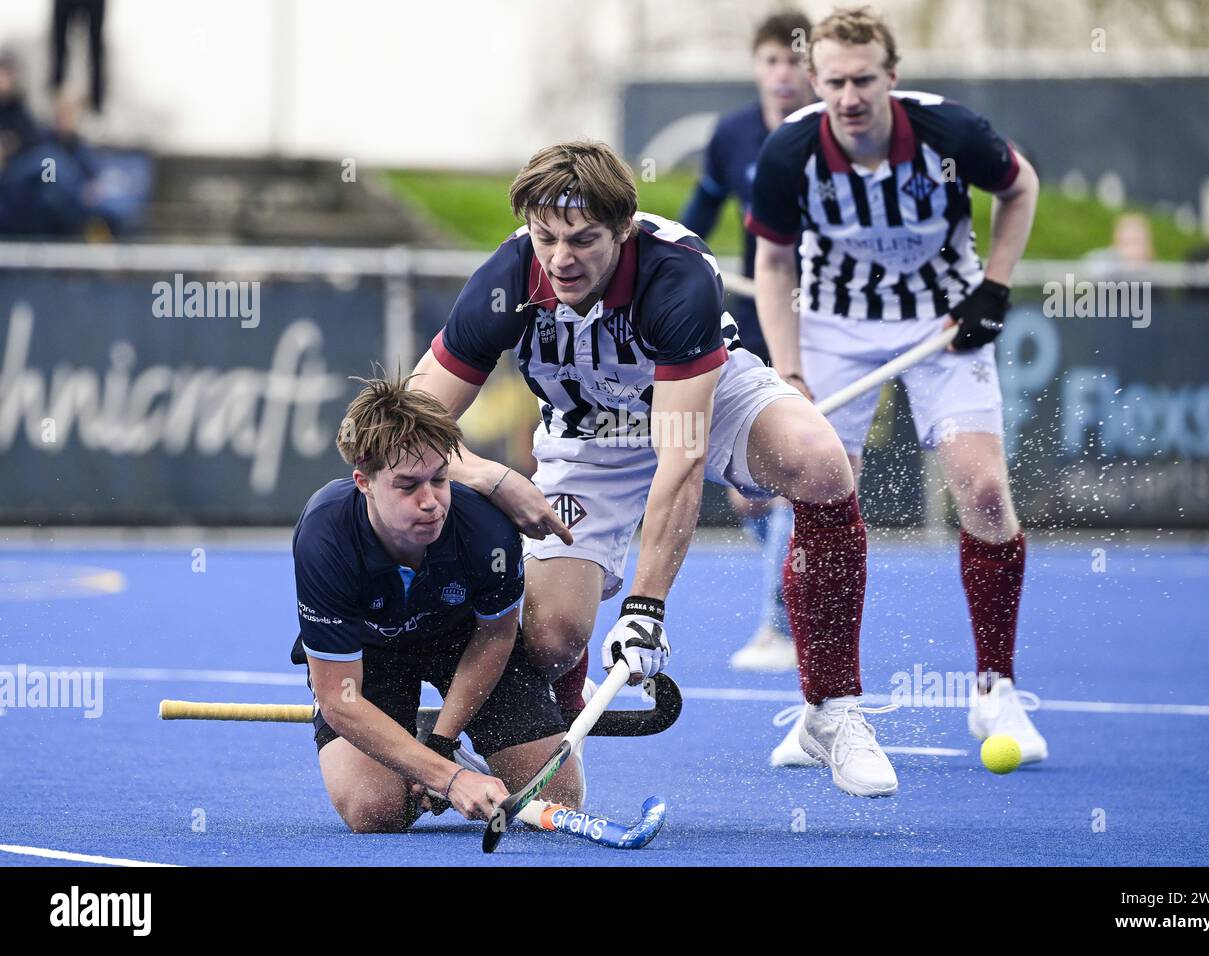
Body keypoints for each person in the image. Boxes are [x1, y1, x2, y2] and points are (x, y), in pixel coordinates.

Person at [411, 139, 901, 798]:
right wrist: (492, 476)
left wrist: (645, 608)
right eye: (545, 236)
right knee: (553, 633)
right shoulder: (506, 280)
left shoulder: (675, 275)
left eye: (583, 239)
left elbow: (682, 454)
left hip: (703, 403)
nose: (560, 258)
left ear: (624, 228)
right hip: (589, 440)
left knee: (821, 463)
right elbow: (412, 420)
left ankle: (832, 710)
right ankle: (555, 708)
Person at [747, 6, 1048, 767]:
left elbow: (1022, 187)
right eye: (835, 81)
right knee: (811, 507)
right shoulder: (789, 153)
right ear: (815, 82)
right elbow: (775, 265)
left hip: (942, 324)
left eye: (865, 80)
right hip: (834, 329)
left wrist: (996, 287)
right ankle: (819, 709)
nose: (850, 97)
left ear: (892, 77)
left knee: (983, 492)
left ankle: (996, 689)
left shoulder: (950, 134)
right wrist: (790, 372)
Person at [290, 373, 581, 832]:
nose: (431, 503)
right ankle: (411, 747)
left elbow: (496, 634)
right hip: (372, 653)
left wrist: (444, 748)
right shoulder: (325, 536)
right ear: (364, 482)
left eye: (440, 479)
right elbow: (339, 699)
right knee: (375, 811)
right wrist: (451, 779)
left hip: (464, 643)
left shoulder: (486, 530)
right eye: (407, 486)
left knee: (559, 796)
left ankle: (430, 739)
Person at [679, 10, 814, 673]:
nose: (784, 74)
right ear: (758, 67)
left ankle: (784, 626)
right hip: (758, 317)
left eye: (795, 62)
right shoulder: (732, 136)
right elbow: (695, 219)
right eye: (773, 62)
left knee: (797, 479)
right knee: (749, 494)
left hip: (821, 320)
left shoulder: (829, 132)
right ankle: (810, 583)